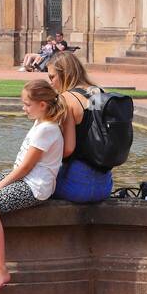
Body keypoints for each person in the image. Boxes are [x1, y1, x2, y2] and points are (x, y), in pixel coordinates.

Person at [0, 78, 67, 294]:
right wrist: (4, 182)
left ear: (42, 105)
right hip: (21, 179)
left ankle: (0, 270)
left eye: (27, 104)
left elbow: (27, 167)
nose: (23, 108)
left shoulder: (47, 129)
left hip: (35, 186)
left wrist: (2, 184)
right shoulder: (40, 122)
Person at [47, 52, 115, 203]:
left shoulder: (66, 99)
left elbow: (69, 149)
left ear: (64, 73)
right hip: (104, 186)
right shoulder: (98, 92)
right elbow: (96, 127)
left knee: (32, 184)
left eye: (52, 77)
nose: (50, 82)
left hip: (76, 187)